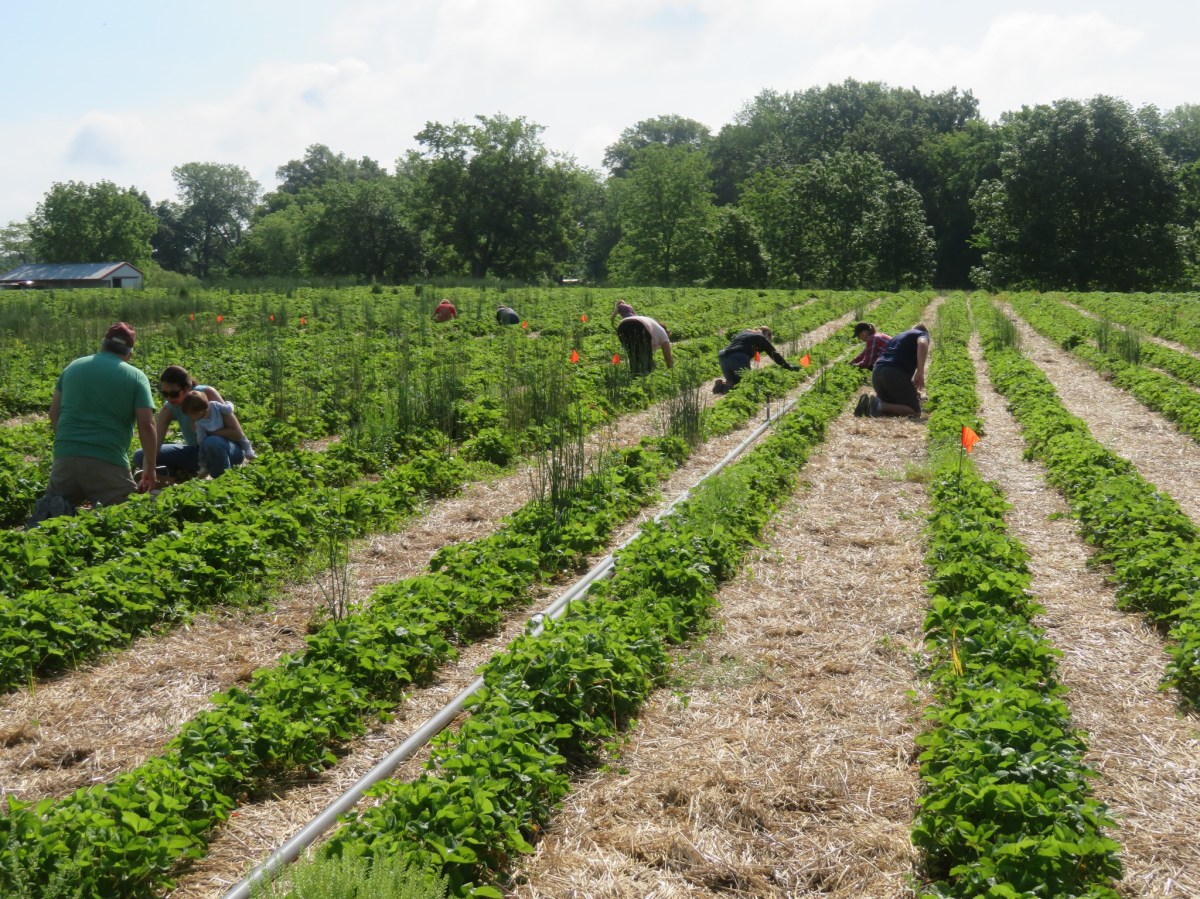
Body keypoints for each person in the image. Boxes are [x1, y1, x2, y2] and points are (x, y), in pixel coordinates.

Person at [27, 322, 156, 526]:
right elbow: (147, 425)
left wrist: (69, 443)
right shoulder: (136, 377)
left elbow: (54, 413)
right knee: (129, 519)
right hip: (108, 461)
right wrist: (150, 466)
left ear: (103, 344)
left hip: (65, 459)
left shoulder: (72, 368)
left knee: (50, 518)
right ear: (129, 353)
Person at [134, 365, 229, 480]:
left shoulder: (207, 393)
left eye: (174, 394)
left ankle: (221, 479)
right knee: (141, 455)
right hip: (197, 453)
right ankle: (176, 474)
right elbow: (155, 442)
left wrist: (206, 433)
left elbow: (235, 432)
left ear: (187, 388)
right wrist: (149, 469)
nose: (169, 398)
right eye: (165, 394)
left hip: (225, 449)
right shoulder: (169, 408)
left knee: (212, 442)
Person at [857, 324, 930, 417]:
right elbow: (923, 343)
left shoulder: (898, 337)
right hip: (892, 373)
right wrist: (920, 372)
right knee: (915, 411)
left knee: (896, 405)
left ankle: (872, 405)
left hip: (877, 373)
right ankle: (879, 405)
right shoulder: (921, 333)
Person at [180, 391, 256, 473]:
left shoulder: (215, 406)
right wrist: (201, 441)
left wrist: (228, 404)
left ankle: (248, 451)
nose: (189, 418)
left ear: (199, 412)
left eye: (190, 415)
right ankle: (204, 466)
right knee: (202, 449)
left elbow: (228, 410)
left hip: (230, 442)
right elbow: (200, 434)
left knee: (242, 439)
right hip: (217, 442)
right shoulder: (199, 421)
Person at [713, 327, 798, 394]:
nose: (769, 340)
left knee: (733, 381)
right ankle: (725, 388)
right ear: (767, 334)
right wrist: (788, 366)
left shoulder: (745, 331)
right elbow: (774, 354)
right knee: (746, 383)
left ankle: (722, 386)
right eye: (769, 338)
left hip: (723, 357)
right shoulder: (761, 337)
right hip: (738, 357)